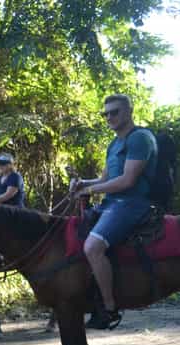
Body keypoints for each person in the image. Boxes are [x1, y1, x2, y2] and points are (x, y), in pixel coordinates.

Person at [70, 94, 157, 330]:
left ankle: (109, 308)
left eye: (114, 112)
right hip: (111, 203)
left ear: (128, 111)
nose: (109, 117)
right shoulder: (114, 143)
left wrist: (91, 189)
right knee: (73, 236)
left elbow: (128, 181)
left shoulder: (140, 138)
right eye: (105, 113)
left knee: (92, 246)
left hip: (132, 203)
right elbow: (105, 178)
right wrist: (83, 184)